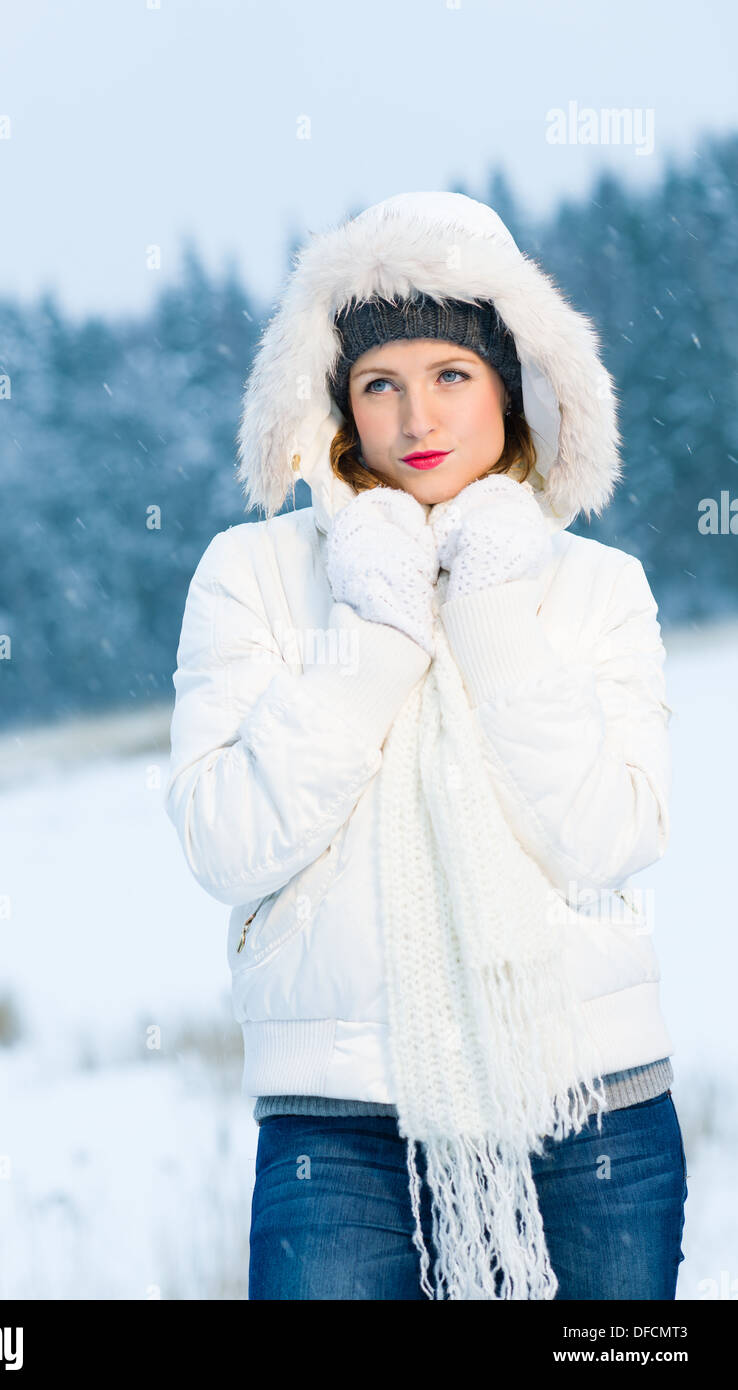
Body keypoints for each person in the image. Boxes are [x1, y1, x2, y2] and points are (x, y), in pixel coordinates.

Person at [164, 191, 688, 1300]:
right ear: (339, 406)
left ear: (512, 386)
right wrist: (377, 628)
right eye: (379, 383)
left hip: (590, 1109)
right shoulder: (250, 575)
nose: (417, 418)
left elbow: (606, 834)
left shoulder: (595, 589)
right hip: (337, 1125)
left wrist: (491, 610)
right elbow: (226, 843)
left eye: (451, 374)